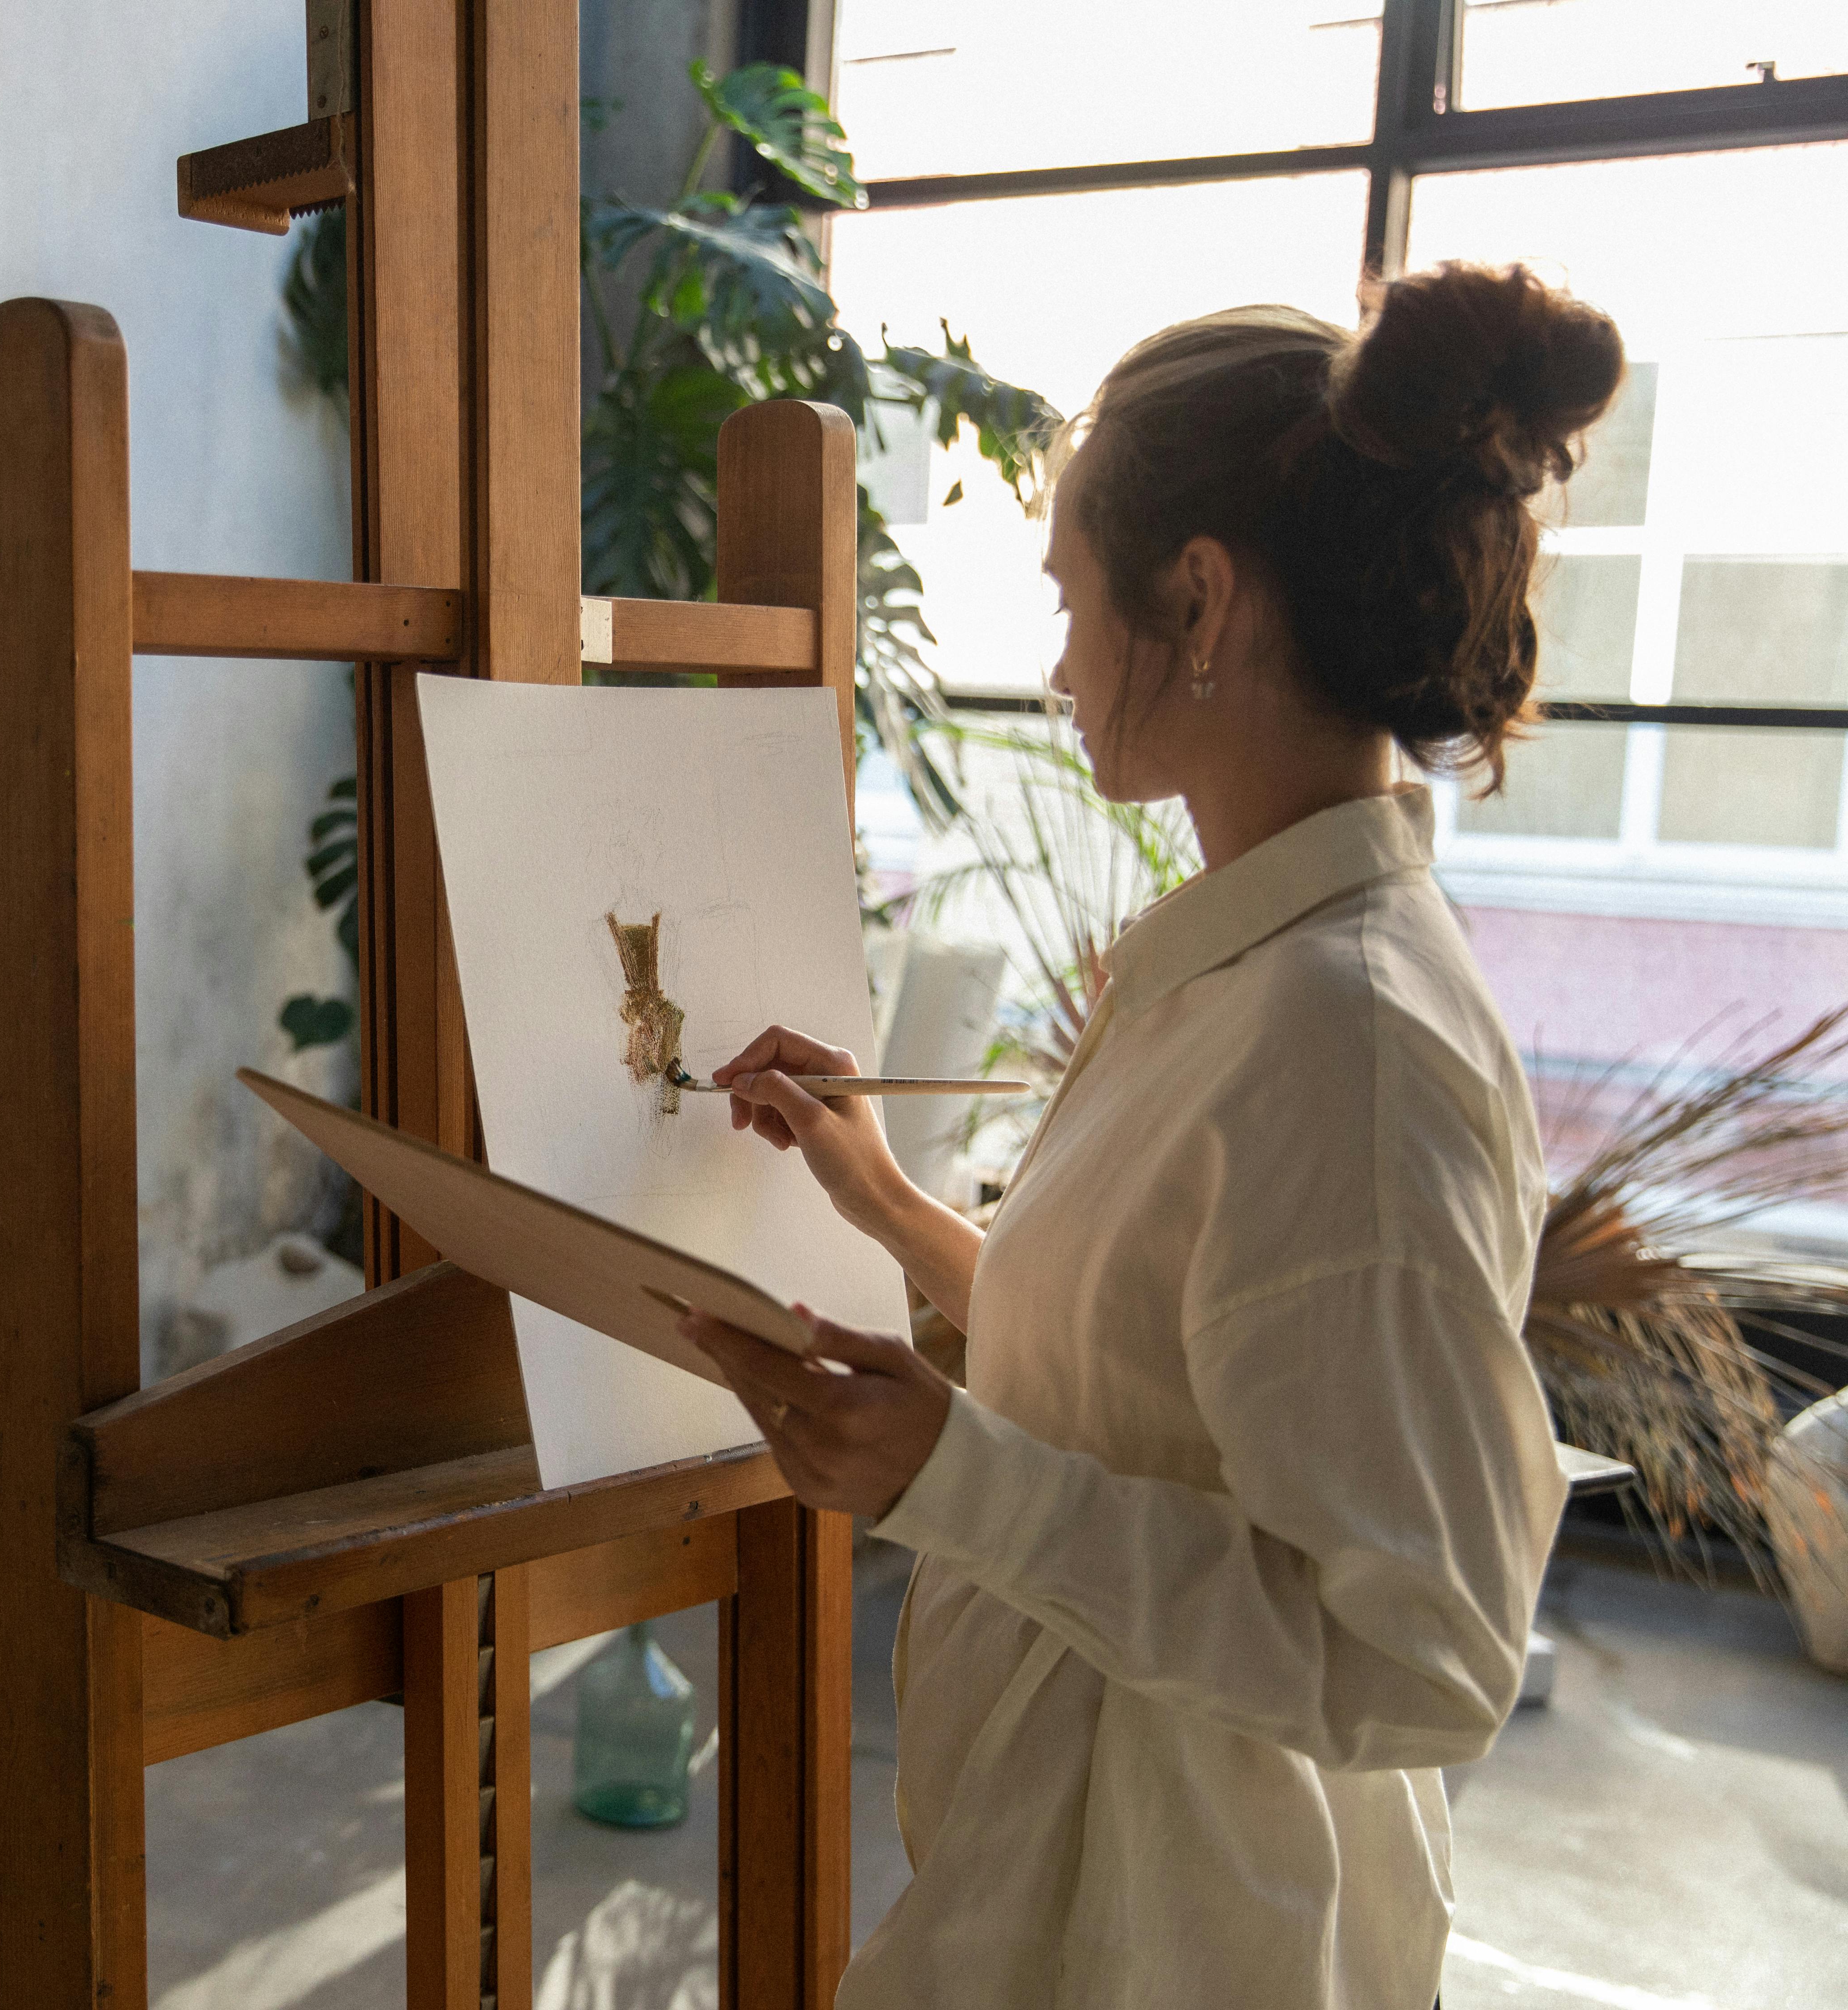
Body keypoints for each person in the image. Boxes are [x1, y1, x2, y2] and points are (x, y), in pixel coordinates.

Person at [683, 262, 1625, 2007]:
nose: (1052, 666)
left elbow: (1421, 1651)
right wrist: (883, 1201)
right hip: (1083, 1869)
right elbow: (1157, 1391)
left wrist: (948, 1479)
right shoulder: (1247, 968)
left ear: (1195, 602)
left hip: (1199, 1927)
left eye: (1065, 598)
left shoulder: (1346, 1042)